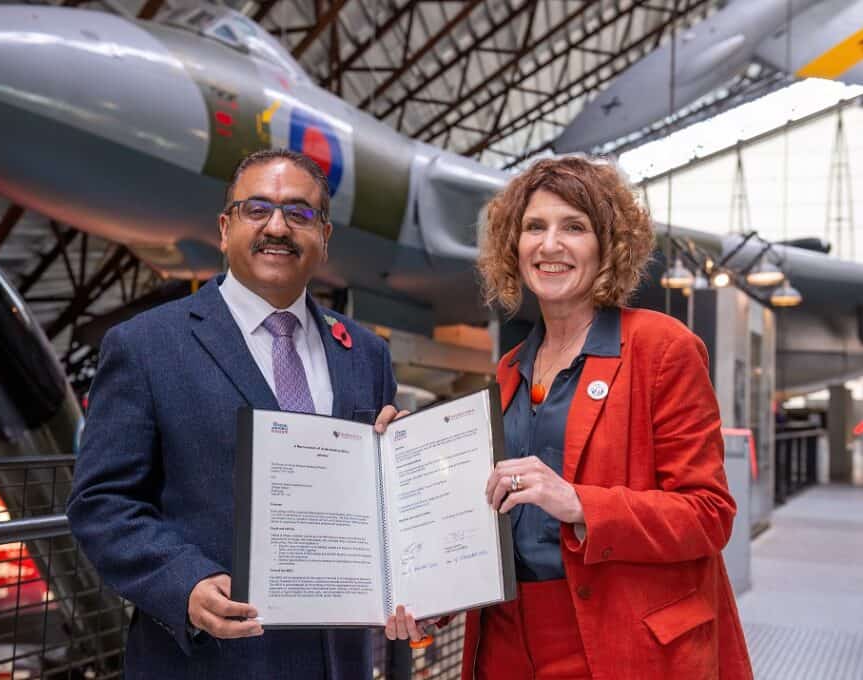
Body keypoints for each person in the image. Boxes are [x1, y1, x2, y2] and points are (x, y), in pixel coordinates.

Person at [387, 156, 753, 679]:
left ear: (608, 246)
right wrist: (433, 590)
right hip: (506, 641)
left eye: (574, 227)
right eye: (534, 227)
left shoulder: (661, 348)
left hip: (616, 637)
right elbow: (493, 517)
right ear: (514, 247)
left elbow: (708, 514)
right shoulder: (511, 370)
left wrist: (579, 502)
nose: (550, 245)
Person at [67, 149, 402, 679]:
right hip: (210, 662)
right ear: (225, 229)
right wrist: (186, 583)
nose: (278, 227)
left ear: (324, 237)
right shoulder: (147, 346)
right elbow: (101, 502)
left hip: (341, 663)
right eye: (257, 210)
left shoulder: (364, 353)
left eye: (299, 213)